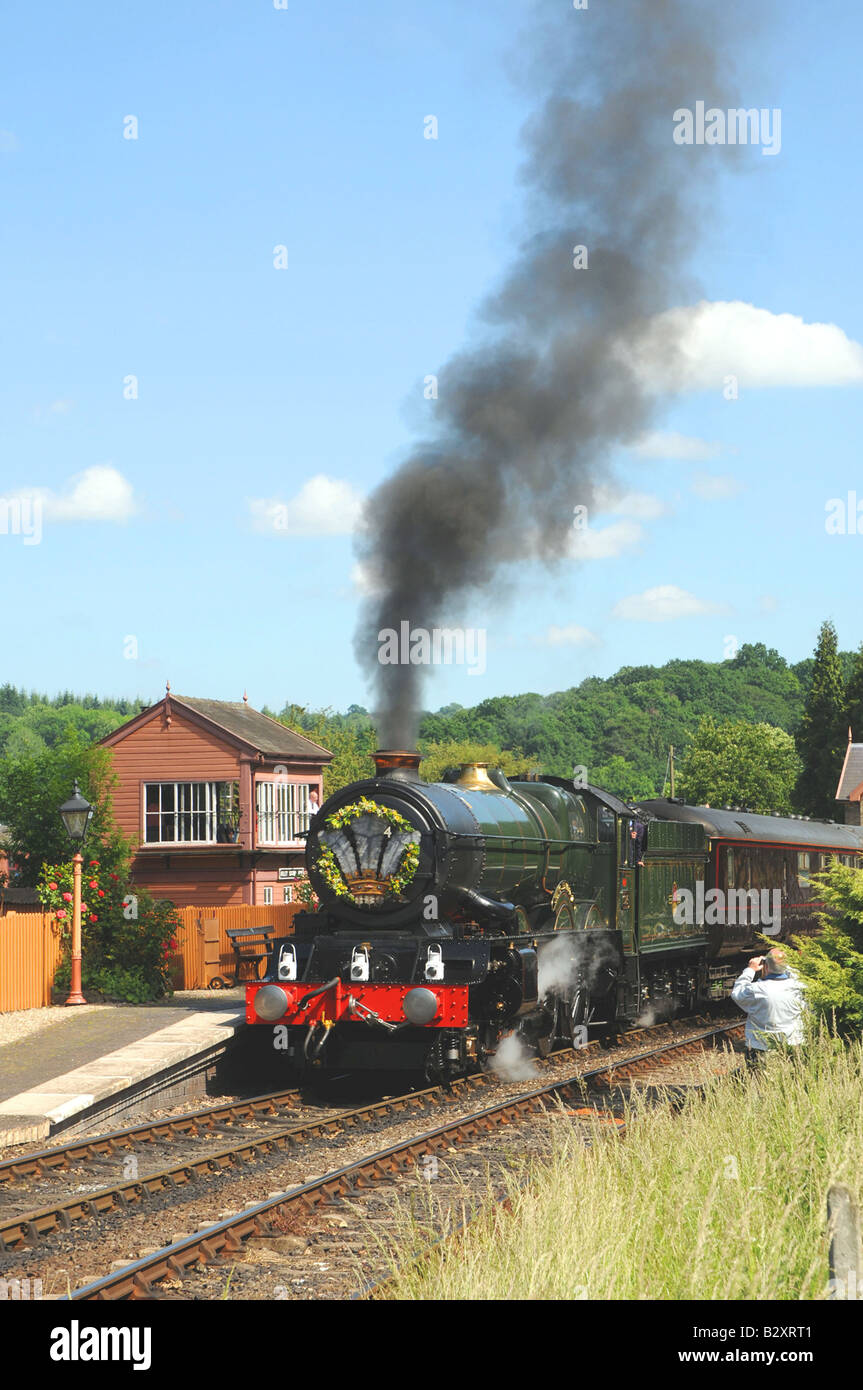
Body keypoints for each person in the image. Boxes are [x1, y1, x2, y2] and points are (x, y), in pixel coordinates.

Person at [731, 947, 807, 1063]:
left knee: (758, 1077)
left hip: (761, 1046)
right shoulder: (799, 986)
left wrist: (750, 969)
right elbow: (796, 975)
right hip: (793, 1042)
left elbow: (737, 993)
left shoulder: (756, 989)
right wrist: (783, 963)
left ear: (765, 967)